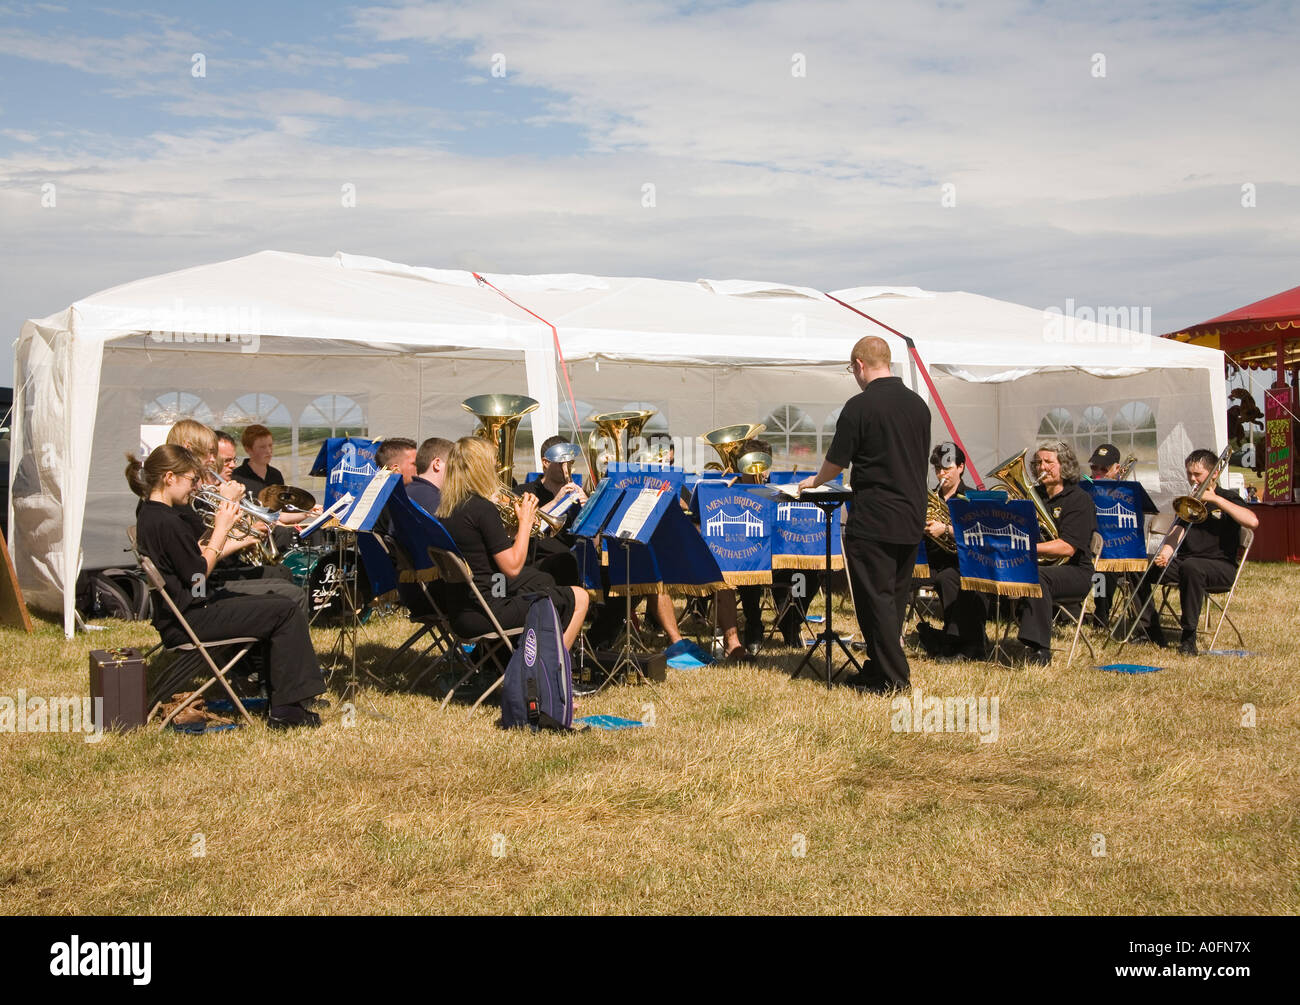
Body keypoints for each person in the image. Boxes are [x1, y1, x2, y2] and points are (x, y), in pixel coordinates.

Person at [127, 444, 325, 728]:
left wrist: (235, 537)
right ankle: (287, 711)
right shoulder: (165, 521)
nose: (194, 487)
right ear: (170, 478)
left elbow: (190, 557)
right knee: (285, 610)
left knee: (280, 602)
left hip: (184, 611)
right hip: (190, 619)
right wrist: (220, 528)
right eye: (191, 480)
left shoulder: (153, 513)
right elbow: (197, 576)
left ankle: (284, 700)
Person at [798, 336, 930, 691]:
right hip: (912, 514)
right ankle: (877, 667)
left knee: (875, 600)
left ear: (858, 364)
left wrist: (813, 480)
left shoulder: (860, 406)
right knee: (895, 598)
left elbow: (837, 461)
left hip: (875, 516)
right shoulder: (919, 405)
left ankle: (893, 678)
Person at [436, 436, 589, 649]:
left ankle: (511, 656)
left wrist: (512, 530)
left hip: (461, 608)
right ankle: (554, 667)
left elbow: (483, 548)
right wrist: (526, 522)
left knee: (542, 580)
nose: (496, 468)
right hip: (489, 610)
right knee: (579, 597)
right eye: (493, 463)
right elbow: (513, 568)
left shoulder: (448, 508)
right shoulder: (482, 509)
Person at [1124, 448, 1257, 656]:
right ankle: (1149, 628)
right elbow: (1178, 529)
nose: (1192, 479)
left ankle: (1188, 637)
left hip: (1220, 566)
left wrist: (1216, 500)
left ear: (1214, 474)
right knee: (1135, 561)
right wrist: (1167, 551)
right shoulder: (1190, 501)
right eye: (1189, 474)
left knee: (1191, 567)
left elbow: (1252, 521)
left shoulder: (1228, 497)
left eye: (1197, 474)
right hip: (1186, 563)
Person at [1004, 441, 1098, 666]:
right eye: (1037, 463)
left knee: (1038, 577)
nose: (1040, 467)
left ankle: (1040, 650)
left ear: (1064, 466)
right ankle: (971, 641)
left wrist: (1027, 547)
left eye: (1048, 462)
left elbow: (1067, 547)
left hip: (1075, 572)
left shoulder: (1078, 499)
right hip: (1041, 566)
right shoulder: (1035, 496)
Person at [915, 442, 986, 661]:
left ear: (961, 467)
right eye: (937, 469)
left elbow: (980, 534)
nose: (941, 474)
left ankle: (958, 641)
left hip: (961, 563)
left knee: (948, 579)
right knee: (899, 577)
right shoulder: (929, 498)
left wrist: (945, 529)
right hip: (932, 562)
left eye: (946, 468)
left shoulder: (972, 497)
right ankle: (889, 639)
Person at [407, 437, 452, 516]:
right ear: (437, 464)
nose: (457, 472)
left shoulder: (407, 491)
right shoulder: (436, 501)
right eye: (454, 466)